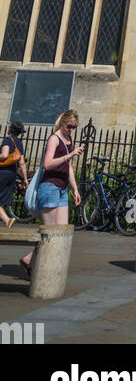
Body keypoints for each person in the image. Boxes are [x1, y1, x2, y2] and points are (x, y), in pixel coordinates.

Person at [21, 110, 83, 277]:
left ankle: (31, 260)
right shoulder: (54, 139)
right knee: (49, 233)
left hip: (62, 189)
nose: (71, 129)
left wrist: (75, 189)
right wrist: (69, 154)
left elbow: (69, 167)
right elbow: (48, 164)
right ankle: (42, 268)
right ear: (62, 123)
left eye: (74, 127)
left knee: (61, 233)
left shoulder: (68, 139)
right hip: (49, 188)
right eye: (69, 126)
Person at [0, 120, 27, 230]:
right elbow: (22, 163)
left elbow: (4, 155)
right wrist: (25, 179)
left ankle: (7, 220)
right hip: (12, 173)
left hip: (3, 173)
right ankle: (7, 220)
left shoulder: (7, 140)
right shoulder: (19, 143)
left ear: (10, 129)